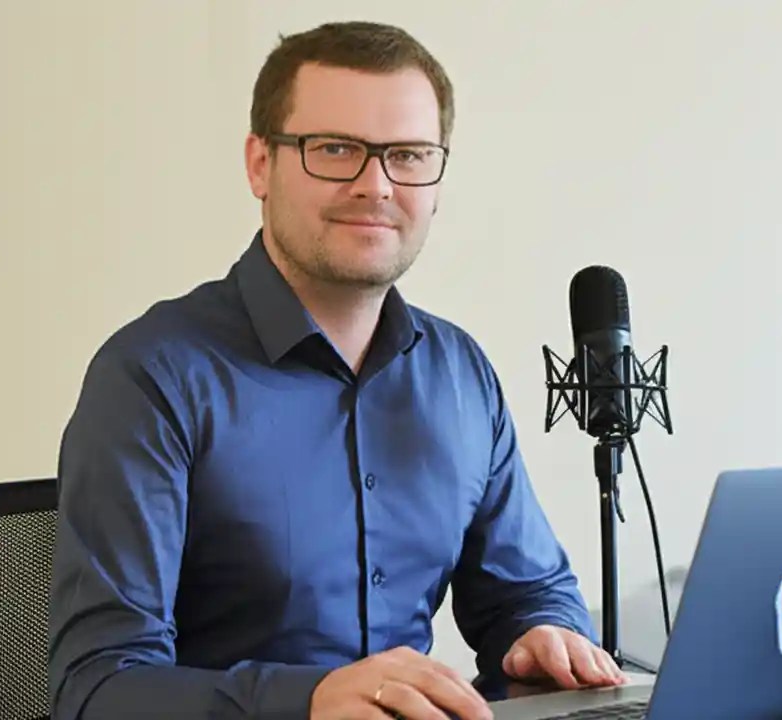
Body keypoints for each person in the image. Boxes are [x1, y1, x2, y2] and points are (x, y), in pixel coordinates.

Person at [47, 20, 623, 720]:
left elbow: (527, 593)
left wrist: (545, 634)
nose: (375, 185)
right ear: (261, 164)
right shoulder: (153, 377)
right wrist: (308, 700)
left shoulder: (460, 375)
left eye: (408, 155)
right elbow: (97, 689)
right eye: (335, 150)